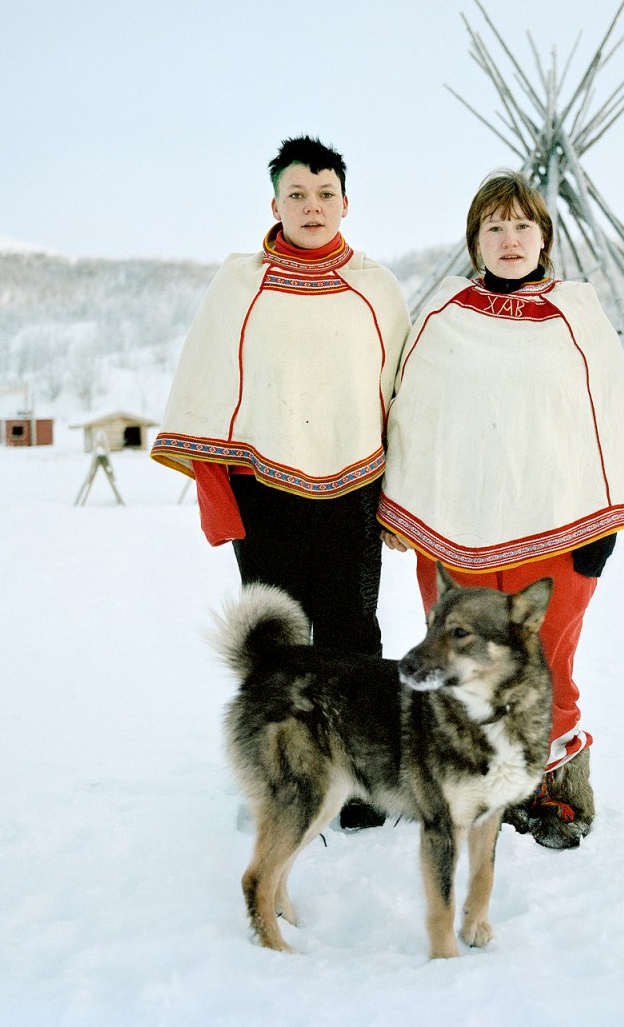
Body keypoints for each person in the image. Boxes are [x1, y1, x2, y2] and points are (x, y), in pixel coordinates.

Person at [378, 169, 624, 849]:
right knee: (463, 658)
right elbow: (414, 419)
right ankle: (468, 785)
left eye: (522, 226)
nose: (509, 239)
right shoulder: (442, 320)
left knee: (544, 660)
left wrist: (605, 526)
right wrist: (403, 510)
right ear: (474, 241)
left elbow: (609, 421)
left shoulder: (577, 316)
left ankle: (552, 790)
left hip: (558, 530)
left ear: (543, 236)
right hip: (456, 533)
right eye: (494, 227)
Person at [151, 136, 410, 829]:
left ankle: (357, 781)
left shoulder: (376, 288)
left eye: (325, 194)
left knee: (352, 630)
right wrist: (217, 492)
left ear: (346, 203)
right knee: (276, 632)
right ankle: (285, 767)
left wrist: (401, 498)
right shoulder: (239, 283)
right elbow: (208, 386)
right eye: (297, 194)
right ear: (275, 202)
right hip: (262, 486)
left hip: (354, 486)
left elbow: (399, 395)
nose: (312, 206)